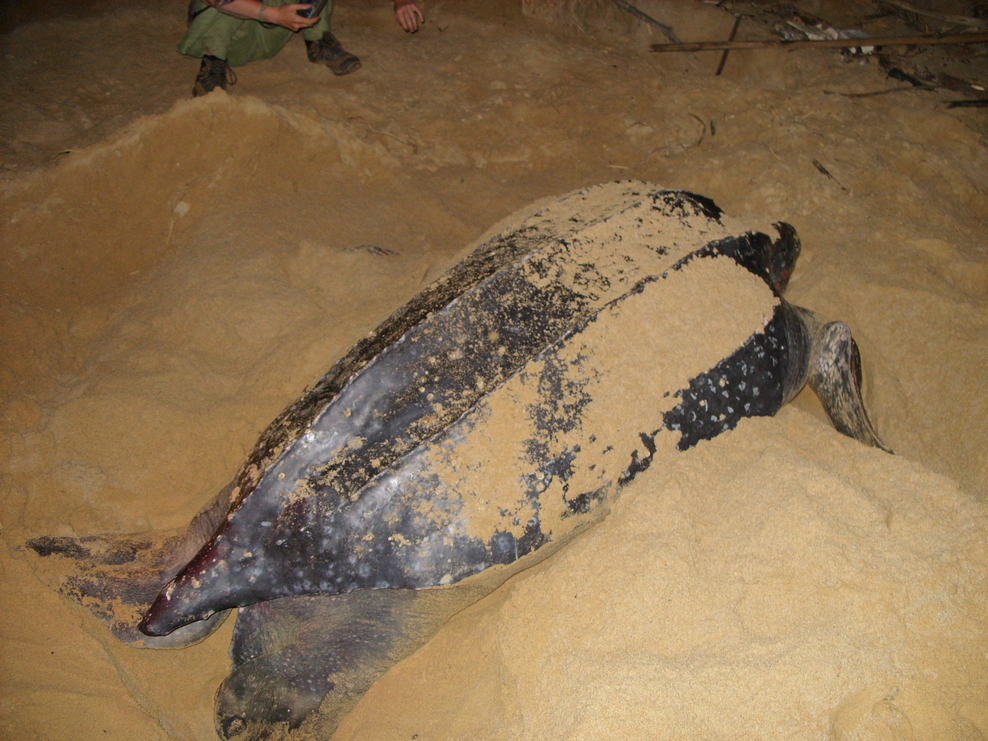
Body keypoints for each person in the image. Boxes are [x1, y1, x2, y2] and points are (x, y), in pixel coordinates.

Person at [180, 0, 425, 97]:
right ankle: (213, 62)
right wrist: (273, 14)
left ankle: (318, 40)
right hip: (233, 38)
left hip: (275, 27)